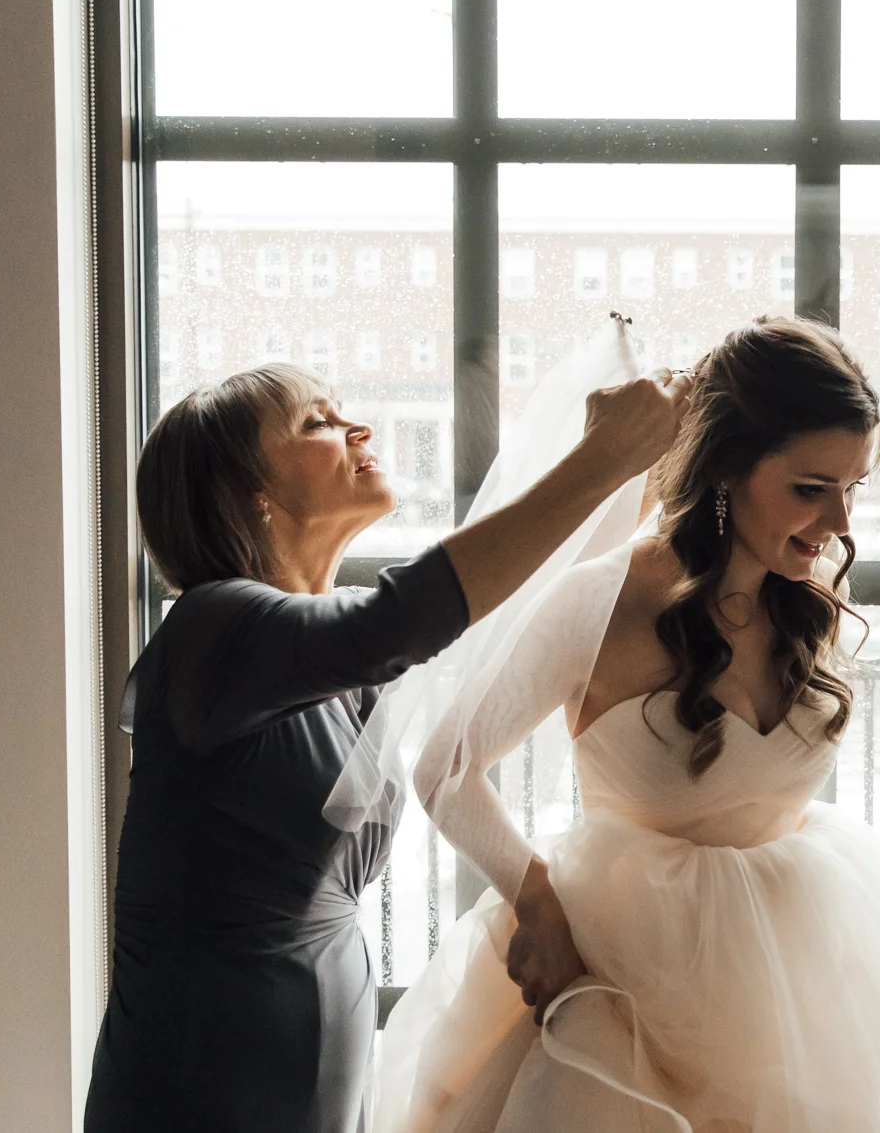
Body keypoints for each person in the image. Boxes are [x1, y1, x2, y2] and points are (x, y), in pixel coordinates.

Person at [371, 316, 880, 1133]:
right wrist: (537, 902)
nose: (841, 522)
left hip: (806, 965)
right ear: (727, 469)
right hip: (621, 975)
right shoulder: (598, 601)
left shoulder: (809, 597)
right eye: (811, 488)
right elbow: (443, 765)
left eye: (853, 487)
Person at [82, 341, 692, 1133]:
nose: (359, 426)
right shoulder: (215, 626)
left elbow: (473, 623)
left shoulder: (331, 663)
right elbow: (406, 619)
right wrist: (599, 456)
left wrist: (633, 476)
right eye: (320, 421)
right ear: (251, 493)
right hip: (194, 1087)